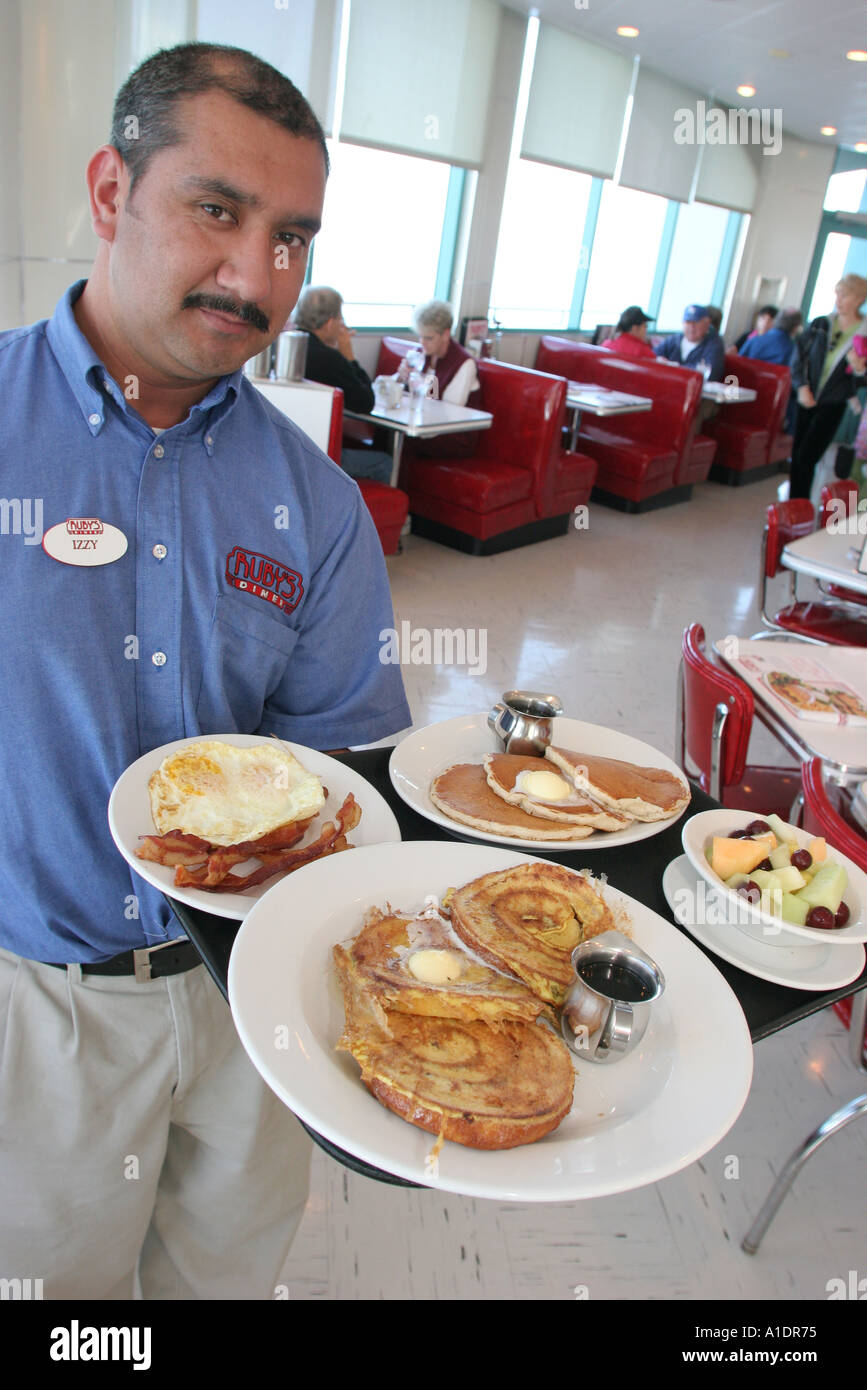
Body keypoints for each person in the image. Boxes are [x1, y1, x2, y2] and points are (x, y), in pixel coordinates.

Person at [0, 42, 410, 1300]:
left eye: (292, 236)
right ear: (111, 193)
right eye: (217, 212)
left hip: (252, 1000)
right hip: (39, 1011)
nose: (258, 275)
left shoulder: (320, 507)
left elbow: (345, 771)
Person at [293, 284, 393, 484]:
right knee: (384, 462)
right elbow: (365, 402)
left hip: (287, 448)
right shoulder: (329, 359)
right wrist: (348, 354)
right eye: (340, 318)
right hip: (315, 455)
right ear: (330, 323)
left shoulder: (285, 345)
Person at [788, 274, 867, 499]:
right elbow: (798, 359)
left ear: (860, 299)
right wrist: (802, 387)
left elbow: (862, 381)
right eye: (837, 293)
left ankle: (798, 510)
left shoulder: (864, 333)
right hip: (806, 398)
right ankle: (795, 511)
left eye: (845, 295)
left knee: (807, 457)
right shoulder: (821, 323)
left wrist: (860, 369)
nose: (838, 299)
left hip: (833, 404)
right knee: (797, 457)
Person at [654, 304, 726, 381]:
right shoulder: (673, 340)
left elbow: (711, 373)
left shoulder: (714, 345)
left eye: (696, 322)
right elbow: (652, 357)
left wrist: (673, 366)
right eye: (688, 322)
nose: (692, 327)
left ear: (707, 324)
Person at [739, 308, 803, 366]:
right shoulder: (793, 351)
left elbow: (738, 365)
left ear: (776, 321)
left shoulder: (753, 341)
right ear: (796, 328)